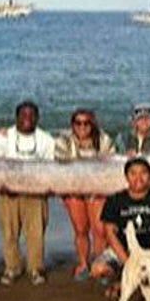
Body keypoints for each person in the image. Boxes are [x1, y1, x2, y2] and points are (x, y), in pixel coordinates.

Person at [0, 101, 56, 286]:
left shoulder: (46, 140)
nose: (27, 119)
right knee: (9, 233)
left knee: (36, 233)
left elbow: (50, 168)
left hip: (36, 193)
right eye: (23, 115)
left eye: (32, 115)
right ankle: (12, 267)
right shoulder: (2, 138)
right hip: (8, 193)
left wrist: (47, 188)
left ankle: (36, 268)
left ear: (37, 118)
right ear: (16, 117)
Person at [91, 158, 150, 287]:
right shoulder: (115, 200)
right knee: (98, 269)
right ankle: (121, 279)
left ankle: (145, 280)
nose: (138, 178)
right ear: (126, 177)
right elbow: (110, 234)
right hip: (124, 250)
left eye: (143, 173)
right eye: (133, 173)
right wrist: (128, 264)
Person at [55, 109, 115, 280]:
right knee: (80, 229)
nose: (82, 126)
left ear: (92, 124)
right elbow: (60, 168)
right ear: (72, 125)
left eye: (86, 123)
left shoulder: (104, 140)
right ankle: (82, 263)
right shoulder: (63, 140)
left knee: (99, 230)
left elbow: (110, 166)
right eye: (78, 123)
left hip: (98, 188)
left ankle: (99, 264)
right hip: (73, 189)